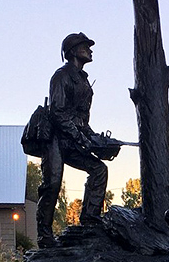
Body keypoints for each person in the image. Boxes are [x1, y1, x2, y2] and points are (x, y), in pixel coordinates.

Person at [37, 32, 117, 248]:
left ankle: (90, 219)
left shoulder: (84, 81)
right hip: (55, 138)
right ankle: (44, 236)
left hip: (73, 137)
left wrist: (97, 140)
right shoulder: (61, 76)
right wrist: (82, 138)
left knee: (99, 170)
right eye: (85, 47)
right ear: (72, 51)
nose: (90, 50)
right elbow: (57, 113)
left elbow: (82, 120)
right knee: (52, 184)